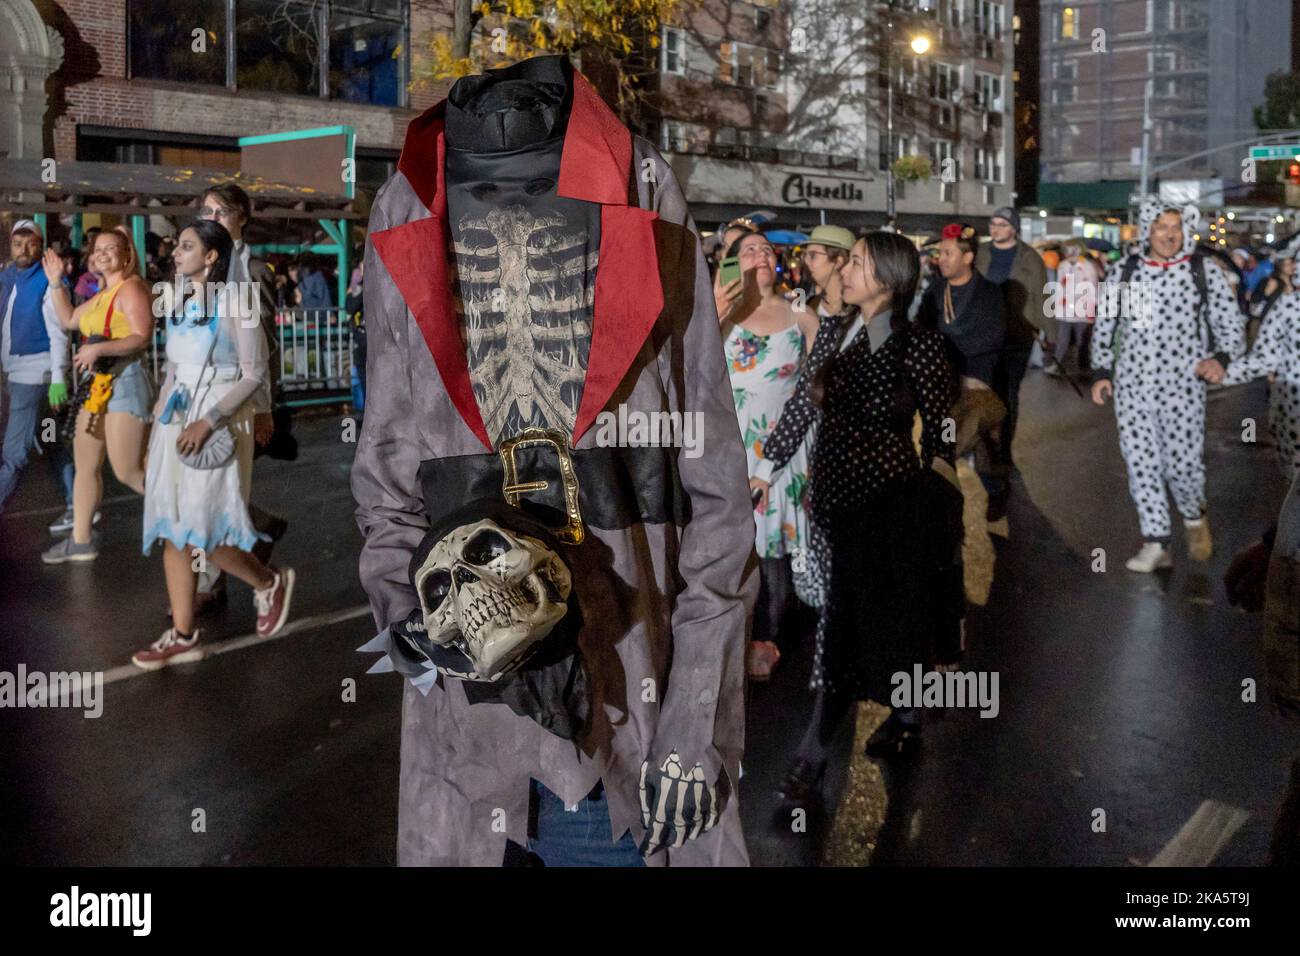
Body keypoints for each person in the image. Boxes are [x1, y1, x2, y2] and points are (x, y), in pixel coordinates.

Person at [352, 55, 755, 866]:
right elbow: (387, 476)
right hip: (473, 731)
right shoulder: (409, 203)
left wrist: (694, 718)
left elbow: (716, 498)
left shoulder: (642, 184)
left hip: (629, 716)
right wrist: (406, 613)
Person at [779, 232, 963, 799]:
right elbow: (805, 408)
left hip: (886, 515)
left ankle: (810, 760)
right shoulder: (836, 332)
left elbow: (942, 433)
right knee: (882, 631)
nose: (845, 272)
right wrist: (767, 465)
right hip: (832, 506)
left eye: (856, 263)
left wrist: (938, 506)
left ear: (886, 276)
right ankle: (907, 721)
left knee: (846, 635)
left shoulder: (917, 346)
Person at [130, 219, 294, 668]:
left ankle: (267, 583)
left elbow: (254, 376)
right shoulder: (179, 304)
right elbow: (170, 374)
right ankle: (183, 634)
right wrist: (154, 433)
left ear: (211, 257)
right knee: (172, 526)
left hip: (218, 421)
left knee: (205, 529)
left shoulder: (238, 303)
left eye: (185, 246)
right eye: (177, 247)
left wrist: (208, 420)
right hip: (174, 426)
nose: (175, 253)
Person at [1090, 200, 1245, 572]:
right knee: (1141, 463)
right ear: (1147, 230)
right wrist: (1100, 371)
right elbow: (1105, 324)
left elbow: (1231, 326)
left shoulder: (1201, 270)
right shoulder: (1125, 271)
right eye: (1162, 227)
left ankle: (1193, 513)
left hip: (1183, 388)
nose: (1170, 234)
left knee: (1182, 467)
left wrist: (1219, 360)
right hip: (1132, 387)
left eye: (1176, 227)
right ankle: (1156, 541)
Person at [720, 231, 819, 680]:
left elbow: (819, 387)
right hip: (731, 448)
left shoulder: (800, 313)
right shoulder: (718, 313)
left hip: (785, 449)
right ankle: (740, 638)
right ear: (729, 262)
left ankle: (772, 638)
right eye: (747, 249)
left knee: (776, 549)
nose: (759, 253)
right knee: (738, 548)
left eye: (765, 248)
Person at [193, 184, 290, 612]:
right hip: (199, 393)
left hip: (240, 397)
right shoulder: (198, 267)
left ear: (242, 219)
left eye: (222, 212)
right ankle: (257, 526)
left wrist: (265, 407)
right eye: (207, 211)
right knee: (203, 488)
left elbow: (265, 347)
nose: (213, 218)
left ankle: (209, 584)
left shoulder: (254, 271)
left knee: (216, 491)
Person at [41, 227, 154, 564]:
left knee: (128, 469)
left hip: (124, 381)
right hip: (97, 386)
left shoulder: (131, 288)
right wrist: (55, 282)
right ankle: (80, 541)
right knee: (86, 463)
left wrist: (100, 348)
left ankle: (191, 519)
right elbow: (69, 319)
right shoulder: (101, 294)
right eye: (97, 248)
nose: (102, 253)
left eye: (111, 248)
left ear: (126, 255)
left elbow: (141, 336)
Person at [919, 223, 1007, 505]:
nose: (940, 259)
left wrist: (944, 346)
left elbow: (991, 338)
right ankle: (980, 490)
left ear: (967, 257)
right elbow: (922, 330)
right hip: (940, 384)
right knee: (967, 443)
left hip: (975, 384)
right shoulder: (934, 291)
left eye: (947, 253)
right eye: (939, 253)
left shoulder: (990, 294)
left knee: (957, 439)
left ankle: (984, 490)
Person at [1201, 244, 1300, 481]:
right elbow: (1265, 358)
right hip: (1292, 412)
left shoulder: (1288, 306)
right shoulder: (1288, 306)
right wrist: (1218, 371)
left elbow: (1264, 359)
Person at [0, 220, 75, 529]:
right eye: (18, 243)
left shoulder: (48, 280)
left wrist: (58, 375)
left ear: (40, 245)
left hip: (35, 375)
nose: (23, 249)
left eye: (30, 243)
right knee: (53, 442)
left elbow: (59, 331)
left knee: (14, 452)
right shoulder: (9, 278)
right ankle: (78, 505)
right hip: (18, 374)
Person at [975, 207, 1049, 467]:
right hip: (984, 333)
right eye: (993, 223)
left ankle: (1003, 446)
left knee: (1008, 392)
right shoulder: (981, 253)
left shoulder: (1030, 257)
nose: (996, 229)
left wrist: (1046, 331)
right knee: (982, 390)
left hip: (1017, 334)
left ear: (1014, 228)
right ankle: (983, 442)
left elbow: (1043, 295)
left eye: (1002, 224)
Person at [1049, 239, 1101, 377]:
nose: (1069, 253)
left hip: (1081, 310)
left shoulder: (1088, 267)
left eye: (1073, 249)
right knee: (1062, 340)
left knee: (1082, 341)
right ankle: (1057, 365)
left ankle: (1084, 368)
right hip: (1064, 310)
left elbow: (1092, 289)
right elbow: (1059, 286)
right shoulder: (1063, 265)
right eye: (1067, 250)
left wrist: (1091, 311)